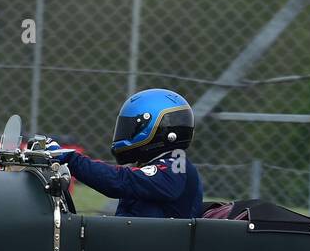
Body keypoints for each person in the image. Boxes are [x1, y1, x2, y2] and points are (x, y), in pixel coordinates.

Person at [48, 88, 203, 219]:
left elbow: (121, 180)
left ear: (157, 128)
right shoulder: (164, 165)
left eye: (131, 127)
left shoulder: (176, 166)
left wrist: (71, 159)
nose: (124, 133)